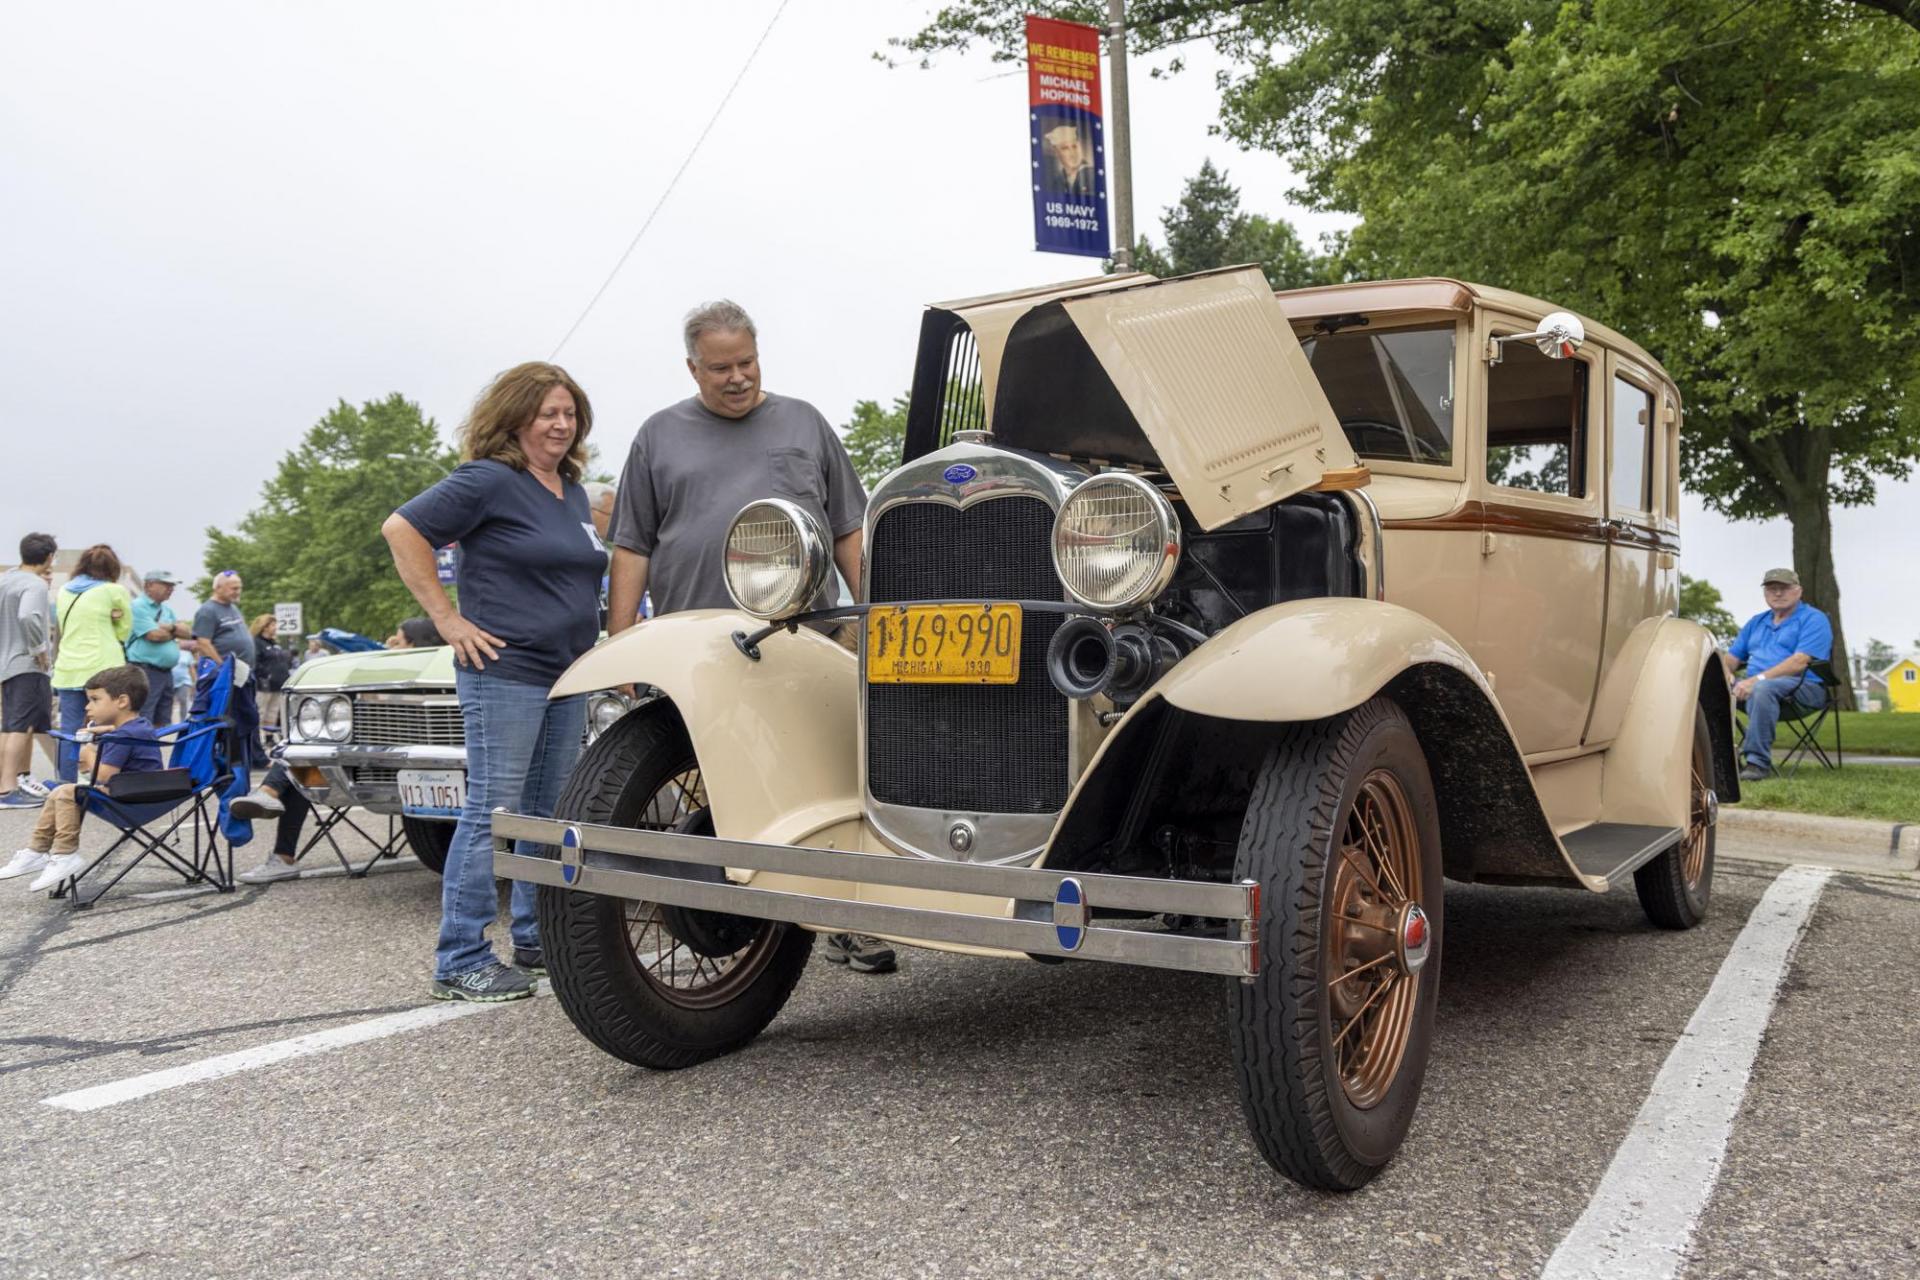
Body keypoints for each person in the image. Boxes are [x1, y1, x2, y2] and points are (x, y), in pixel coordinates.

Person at [605, 300, 896, 975]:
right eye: (720, 368)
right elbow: (632, 546)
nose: (737, 377)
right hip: (696, 646)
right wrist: (618, 643)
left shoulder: (805, 422)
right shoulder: (656, 436)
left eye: (747, 362)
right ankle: (713, 910)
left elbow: (848, 529)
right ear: (692, 368)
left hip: (804, 637)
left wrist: (879, 618)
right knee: (710, 784)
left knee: (830, 778)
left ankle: (846, 923)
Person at [380, 360, 605, 1003]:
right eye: (547, 413)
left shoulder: (572, 492)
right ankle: (461, 958)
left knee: (546, 813)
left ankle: (534, 940)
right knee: (493, 811)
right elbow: (402, 528)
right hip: (506, 671)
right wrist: (447, 619)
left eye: (569, 413)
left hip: (568, 673)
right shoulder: (489, 480)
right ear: (514, 418)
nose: (560, 424)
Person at [0, 665, 164, 892]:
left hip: (135, 796)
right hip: (140, 790)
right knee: (60, 790)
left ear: (122, 701)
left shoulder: (124, 735)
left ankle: (65, 854)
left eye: (95, 700)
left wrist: (87, 751)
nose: (87, 706)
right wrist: (105, 731)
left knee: (67, 791)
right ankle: (36, 851)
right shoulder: (136, 726)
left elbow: (104, 775)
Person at [1721, 568, 1835, 782]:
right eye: (1772, 589)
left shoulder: (1814, 619)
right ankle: (1722, 758)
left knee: (1762, 688)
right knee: (1710, 688)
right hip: (1753, 689)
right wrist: (1726, 674)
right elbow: (1730, 658)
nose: (1778, 593)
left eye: (1784, 588)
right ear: (1765, 593)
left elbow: (1800, 661)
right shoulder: (1756, 622)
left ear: (1798, 591)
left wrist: (1756, 680)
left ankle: (1757, 763)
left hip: (1804, 689)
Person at [50, 545, 133, 783]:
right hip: (104, 669)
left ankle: (66, 785)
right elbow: (124, 632)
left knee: (69, 731)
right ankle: (104, 780)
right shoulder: (114, 591)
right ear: (113, 568)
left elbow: (63, 627)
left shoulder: (64, 591)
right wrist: (112, 619)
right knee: (108, 725)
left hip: (68, 669)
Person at [1, 533, 58, 807]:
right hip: (27, 663)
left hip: (6, 663)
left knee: (9, 726)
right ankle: (7, 789)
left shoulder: (5, 580)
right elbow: (28, 615)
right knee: (20, 727)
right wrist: (40, 650)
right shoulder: (35, 584)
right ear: (49, 557)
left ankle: (9, 783)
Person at [191, 571, 259, 768]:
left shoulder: (233, 608)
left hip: (243, 674)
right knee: (233, 720)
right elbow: (203, 643)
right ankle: (231, 762)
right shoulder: (208, 611)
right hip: (226, 677)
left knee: (247, 716)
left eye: (239, 587)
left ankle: (249, 758)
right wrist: (223, 668)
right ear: (218, 587)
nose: (238, 591)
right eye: (233, 588)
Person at [126, 569, 192, 729]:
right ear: (149, 585)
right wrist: (174, 631)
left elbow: (188, 633)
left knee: (162, 720)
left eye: (172, 586)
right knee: (144, 717)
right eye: (166, 585)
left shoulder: (166, 610)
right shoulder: (138, 606)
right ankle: (141, 745)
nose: (171, 589)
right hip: (145, 670)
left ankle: (153, 744)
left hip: (165, 672)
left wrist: (170, 628)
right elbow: (154, 635)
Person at [230, 761, 315, 883]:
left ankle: (268, 792)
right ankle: (284, 858)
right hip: (318, 773)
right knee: (298, 775)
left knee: (296, 759)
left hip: (344, 774)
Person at [249, 613, 294, 748]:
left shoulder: (274, 644)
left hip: (278, 684)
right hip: (264, 685)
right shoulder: (257, 643)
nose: (275, 628)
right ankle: (256, 739)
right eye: (273, 625)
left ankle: (269, 737)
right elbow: (255, 663)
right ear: (265, 627)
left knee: (273, 713)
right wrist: (264, 675)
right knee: (261, 712)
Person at [1043, 122, 1095, 196]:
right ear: (1056, 152)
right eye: (1065, 148)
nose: (1072, 153)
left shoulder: (1093, 175)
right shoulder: (1056, 183)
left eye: (1074, 146)